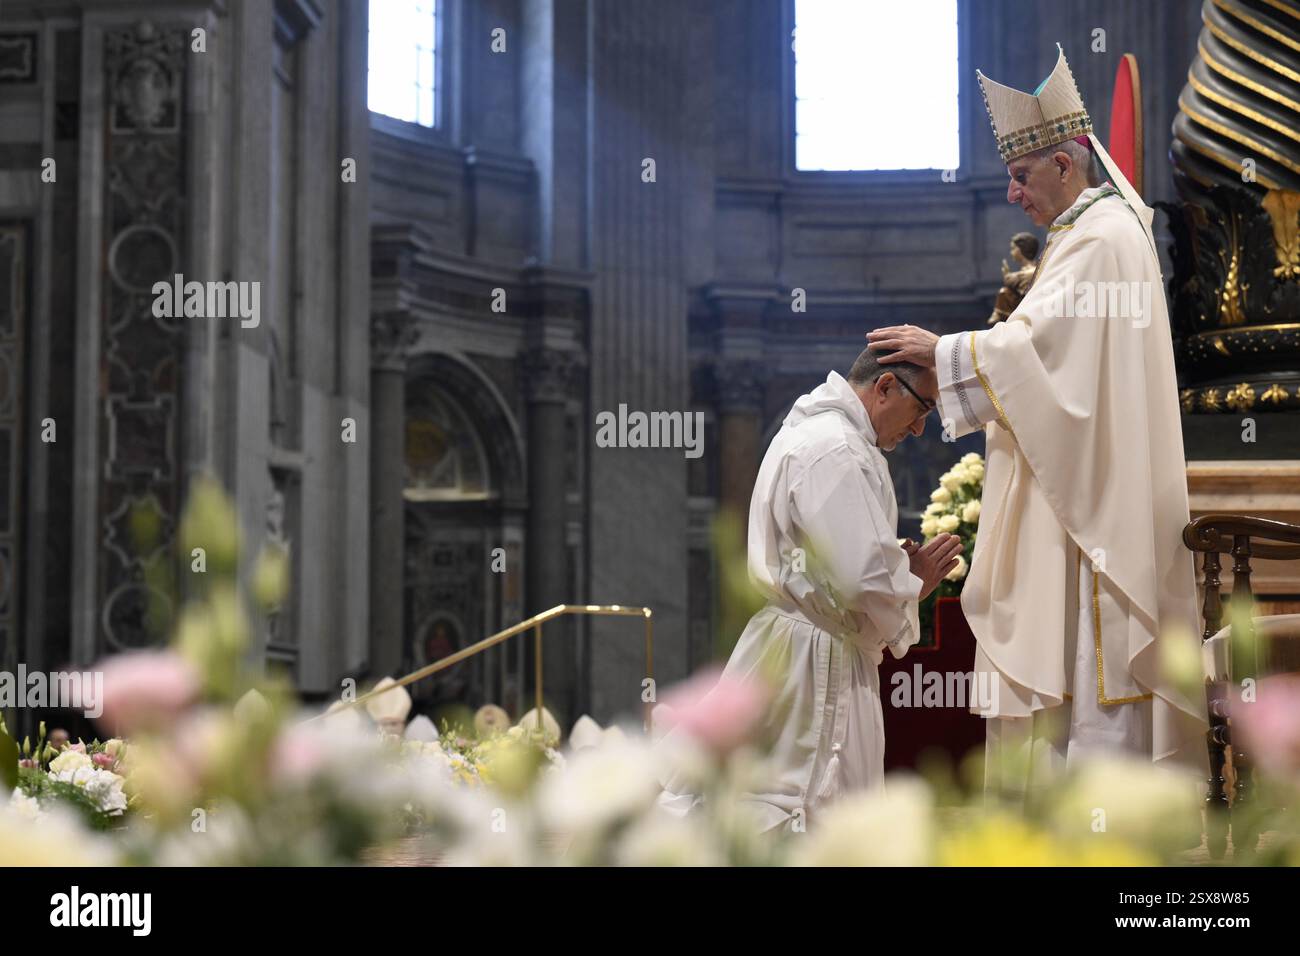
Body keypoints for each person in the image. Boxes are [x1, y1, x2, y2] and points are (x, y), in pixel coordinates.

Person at [866, 45, 1207, 796]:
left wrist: (943, 348)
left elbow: (1040, 357)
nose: (1014, 194)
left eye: (1022, 177)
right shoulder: (1086, 240)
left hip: (1092, 531)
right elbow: (1044, 361)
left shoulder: (1102, 239)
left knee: (1087, 723)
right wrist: (961, 355)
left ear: (1065, 162)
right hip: (1076, 499)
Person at [658, 347, 961, 830]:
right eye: (923, 407)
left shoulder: (821, 435)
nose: (921, 427)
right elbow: (863, 580)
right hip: (816, 659)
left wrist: (892, 567)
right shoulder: (837, 448)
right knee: (796, 808)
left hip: (805, 644)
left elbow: (847, 559)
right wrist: (913, 582)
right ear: (884, 387)